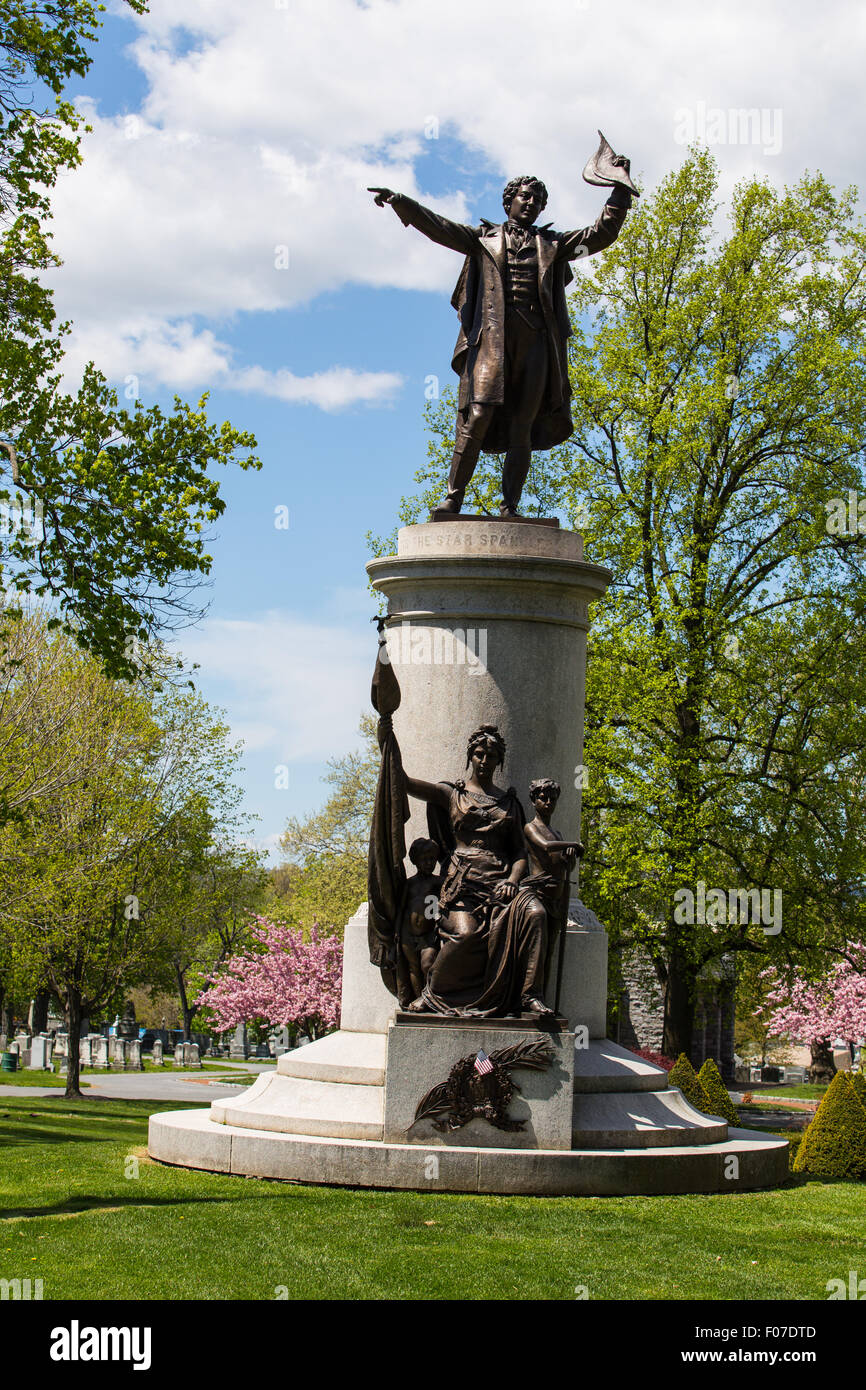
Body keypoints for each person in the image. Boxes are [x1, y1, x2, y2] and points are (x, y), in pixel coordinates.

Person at [369, 169, 632, 515]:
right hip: (493, 341)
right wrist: (402, 203)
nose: (532, 203)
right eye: (525, 197)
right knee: (478, 415)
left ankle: (510, 505)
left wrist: (620, 191)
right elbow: (441, 229)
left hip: (537, 342)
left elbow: (599, 234)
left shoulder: (554, 245)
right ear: (509, 201)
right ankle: (453, 498)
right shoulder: (483, 239)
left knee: (523, 422)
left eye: (538, 200)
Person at [403, 724, 552, 1017]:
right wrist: (387, 735)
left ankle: (529, 996)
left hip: (501, 884)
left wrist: (512, 880)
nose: (485, 761)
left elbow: (520, 853)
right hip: (463, 886)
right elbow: (406, 783)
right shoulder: (451, 794)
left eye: (492, 756)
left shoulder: (509, 803)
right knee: (466, 934)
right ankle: (433, 994)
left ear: (500, 761)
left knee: (536, 914)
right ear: (470, 756)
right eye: (480, 754)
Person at [523, 778, 582, 996]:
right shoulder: (530, 827)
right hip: (538, 894)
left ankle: (542, 998)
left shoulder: (557, 833)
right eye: (543, 798)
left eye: (552, 799)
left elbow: (566, 864)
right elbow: (546, 847)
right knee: (536, 950)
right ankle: (529, 995)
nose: (548, 802)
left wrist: (570, 857)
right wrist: (573, 845)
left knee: (548, 953)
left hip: (557, 898)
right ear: (533, 801)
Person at [397, 838, 442, 1007]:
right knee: (413, 968)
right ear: (415, 860)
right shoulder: (409, 884)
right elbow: (402, 909)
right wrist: (398, 931)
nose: (429, 863)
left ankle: (430, 997)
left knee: (428, 964)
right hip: (408, 934)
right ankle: (418, 999)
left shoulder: (437, 882)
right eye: (425, 859)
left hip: (429, 934)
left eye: (432, 859)